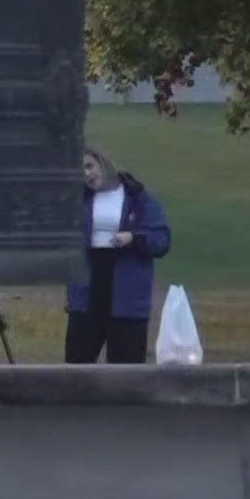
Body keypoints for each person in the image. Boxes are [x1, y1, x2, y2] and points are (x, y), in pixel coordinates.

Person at [65, 148, 172, 364]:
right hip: (87, 289)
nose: (86, 174)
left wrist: (133, 238)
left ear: (104, 164)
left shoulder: (137, 197)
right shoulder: (77, 200)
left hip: (126, 290)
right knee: (77, 361)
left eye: (89, 166)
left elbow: (161, 240)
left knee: (126, 365)